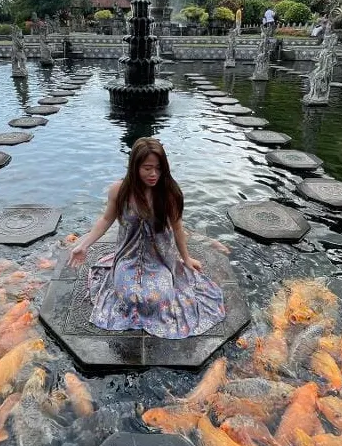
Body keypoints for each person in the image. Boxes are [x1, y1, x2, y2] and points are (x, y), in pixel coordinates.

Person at [68, 138, 226, 339]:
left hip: (159, 258)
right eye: (147, 168)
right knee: (128, 295)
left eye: (158, 168)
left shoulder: (169, 193)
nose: (154, 174)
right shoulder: (120, 190)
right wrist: (83, 245)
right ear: (135, 167)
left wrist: (186, 259)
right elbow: (106, 219)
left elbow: (177, 227)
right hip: (128, 257)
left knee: (158, 299)